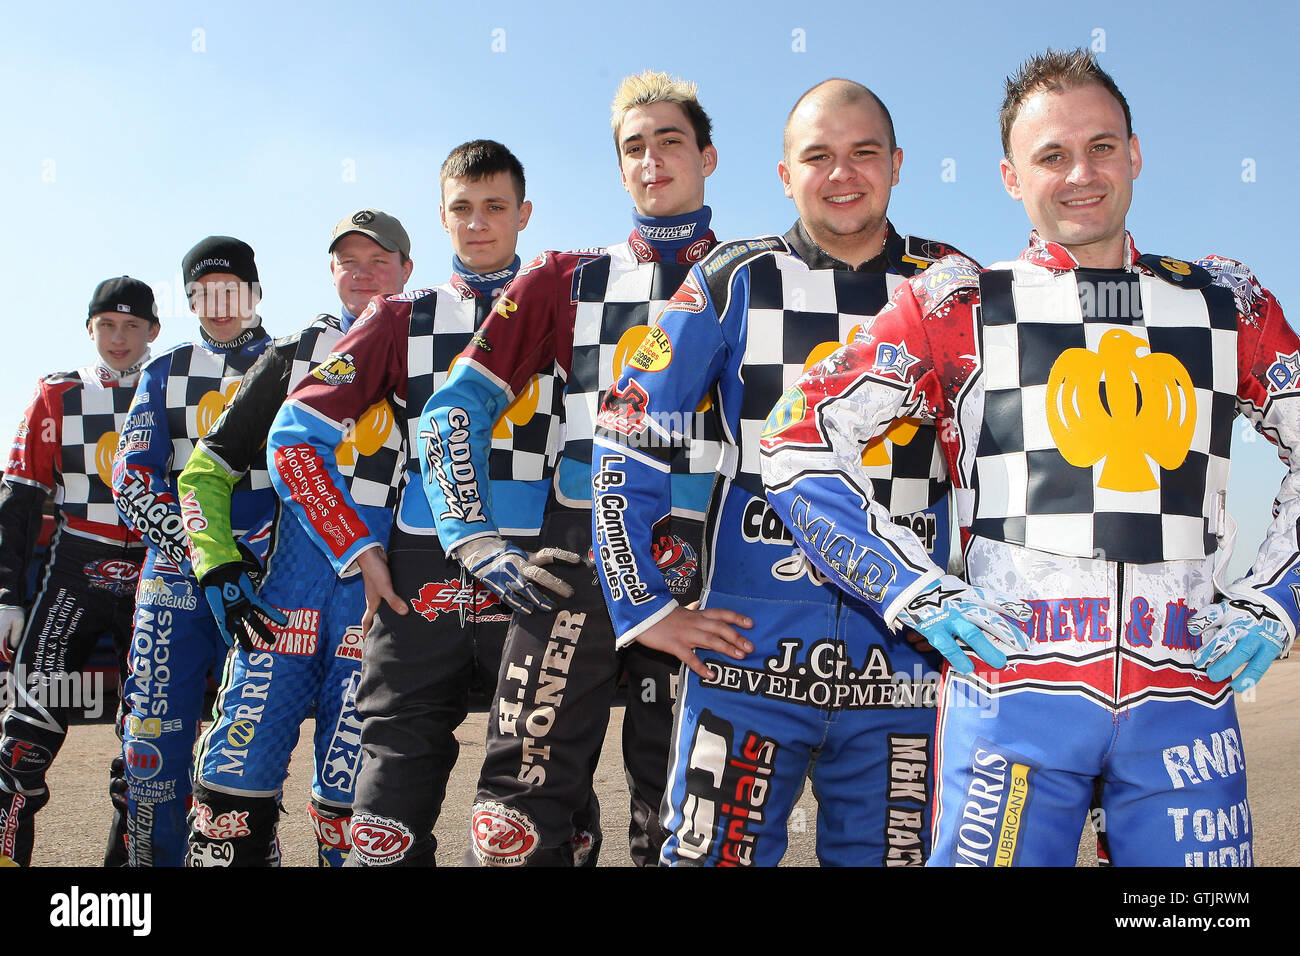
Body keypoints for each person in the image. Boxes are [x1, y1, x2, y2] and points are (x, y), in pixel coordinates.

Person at [759, 49, 1299, 866]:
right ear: (1012, 177)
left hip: (1185, 696)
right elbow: (795, 439)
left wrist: (1276, 597)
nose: (1080, 173)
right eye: (1051, 155)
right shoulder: (958, 303)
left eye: (1102, 147)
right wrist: (904, 585)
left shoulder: (1228, 301)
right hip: (1011, 696)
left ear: (1136, 154)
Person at [591, 78, 962, 866]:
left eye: (864, 153)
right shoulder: (733, 276)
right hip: (748, 652)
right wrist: (645, 607)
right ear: (785, 173)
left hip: (903, 660)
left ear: (896, 164)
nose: (842, 174)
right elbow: (628, 433)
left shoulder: (953, 285)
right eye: (817, 156)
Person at [420, 70, 725, 867]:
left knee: (687, 820)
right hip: (577, 555)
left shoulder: (756, 276)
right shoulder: (564, 277)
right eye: (635, 148)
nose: (653, 161)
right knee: (514, 815)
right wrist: (471, 536)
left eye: (671, 142)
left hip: (707, 564)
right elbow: (453, 410)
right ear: (619, 167)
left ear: (708, 156)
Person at [267, 141, 551, 866]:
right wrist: (356, 549)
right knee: (381, 831)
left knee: (537, 826)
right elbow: (292, 437)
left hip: (539, 570)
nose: (479, 223)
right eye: (462, 208)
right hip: (419, 573)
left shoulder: (570, 298)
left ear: (524, 213)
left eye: (495, 208)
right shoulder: (400, 315)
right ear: (442, 218)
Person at [177, 209, 411, 867]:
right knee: (230, 795)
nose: (364, 275)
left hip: (379, 610)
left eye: (380, 261)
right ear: (331, 271)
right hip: (283, 608)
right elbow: (204, 471)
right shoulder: (294, 353)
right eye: (349, 262)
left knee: (358, 810)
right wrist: (218, 567)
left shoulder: (439, 353)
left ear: (407, 270)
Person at [112, 237, 278, 866]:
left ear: (256, 294)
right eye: (204, 292)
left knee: (250, 746)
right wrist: (202, 550)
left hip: (264, 581)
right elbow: (131, 478)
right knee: (151, 744)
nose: (220, 302)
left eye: (232, 287)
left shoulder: (296, 361)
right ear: (188, 301)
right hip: (176, 582)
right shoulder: (164, 371)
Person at [0, 277, 159, 867]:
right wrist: (6, 597)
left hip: (157, 570)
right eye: (107, 325)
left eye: (133, 325)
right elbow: (16, 504)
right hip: (74, 569)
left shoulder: (174, 386)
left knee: (148, 749)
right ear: (89, 329)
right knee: (22, 743)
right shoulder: (57, 393)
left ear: (153, 331)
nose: (119, 338)